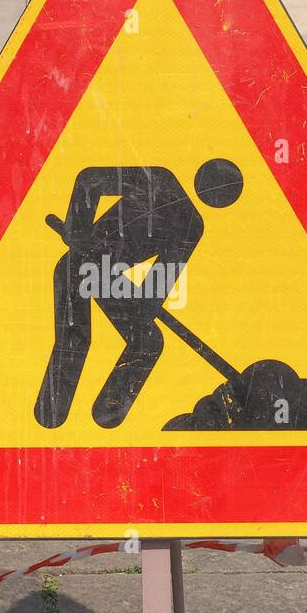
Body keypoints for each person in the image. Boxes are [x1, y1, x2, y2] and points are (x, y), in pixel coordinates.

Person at [35, 160, 243, 429]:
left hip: (105, 275)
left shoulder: (192, 225)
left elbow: (156, 287)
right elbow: (89, 179)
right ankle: (51, 413)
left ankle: (106, 413)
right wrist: (79, 227)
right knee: (75, 337)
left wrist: (144, 303)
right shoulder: (159, 179)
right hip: (75, 268)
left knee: (147, 340)